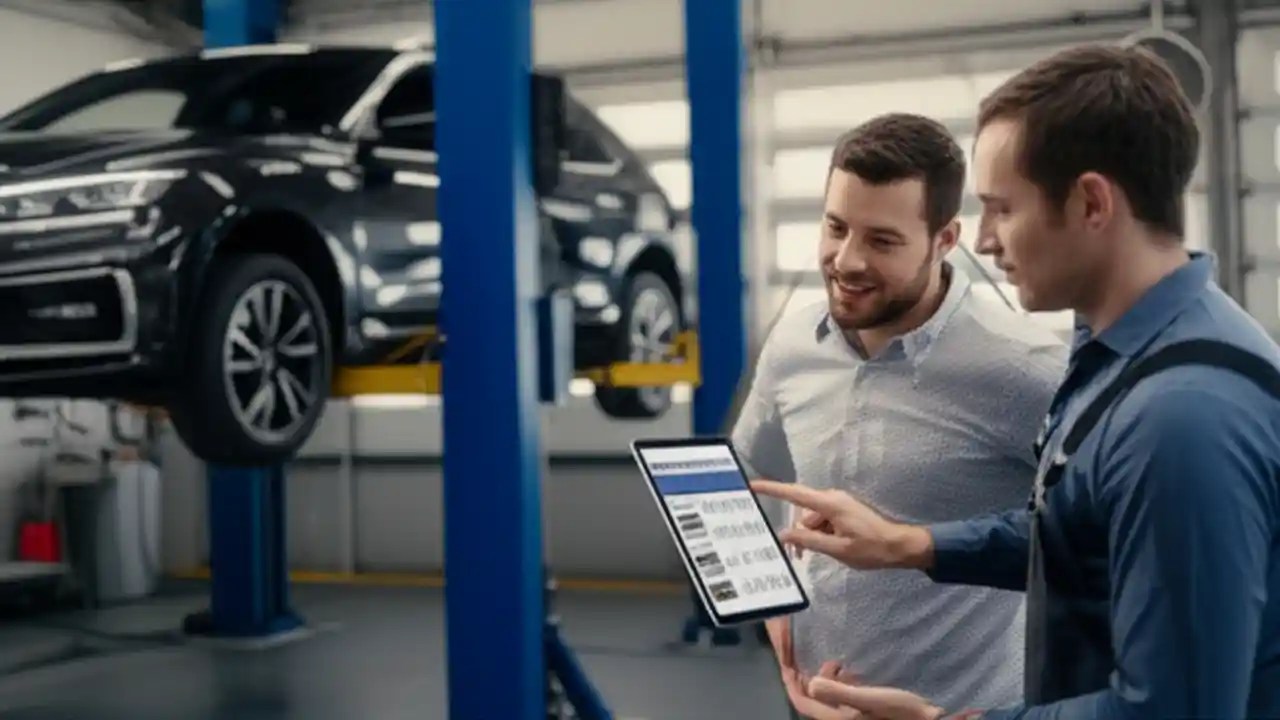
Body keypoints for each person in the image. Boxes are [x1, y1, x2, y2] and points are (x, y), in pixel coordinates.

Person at [752, 43, 1280, 719]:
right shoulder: (1113, 356)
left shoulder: (1182, 416)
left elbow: (1177, 712)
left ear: (1092, 204)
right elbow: (1075, 535)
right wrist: (907, 544)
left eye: (1003, 208)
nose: (986, 239)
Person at [731, 112, 1068, 718]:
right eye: (836, 227)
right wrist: (771, 605)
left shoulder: (1026, 368)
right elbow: (744, 478)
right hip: (810, 703)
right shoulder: (793, 341)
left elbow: (1094, 543)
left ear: (946, 240)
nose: (846, 260)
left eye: (882, 241)